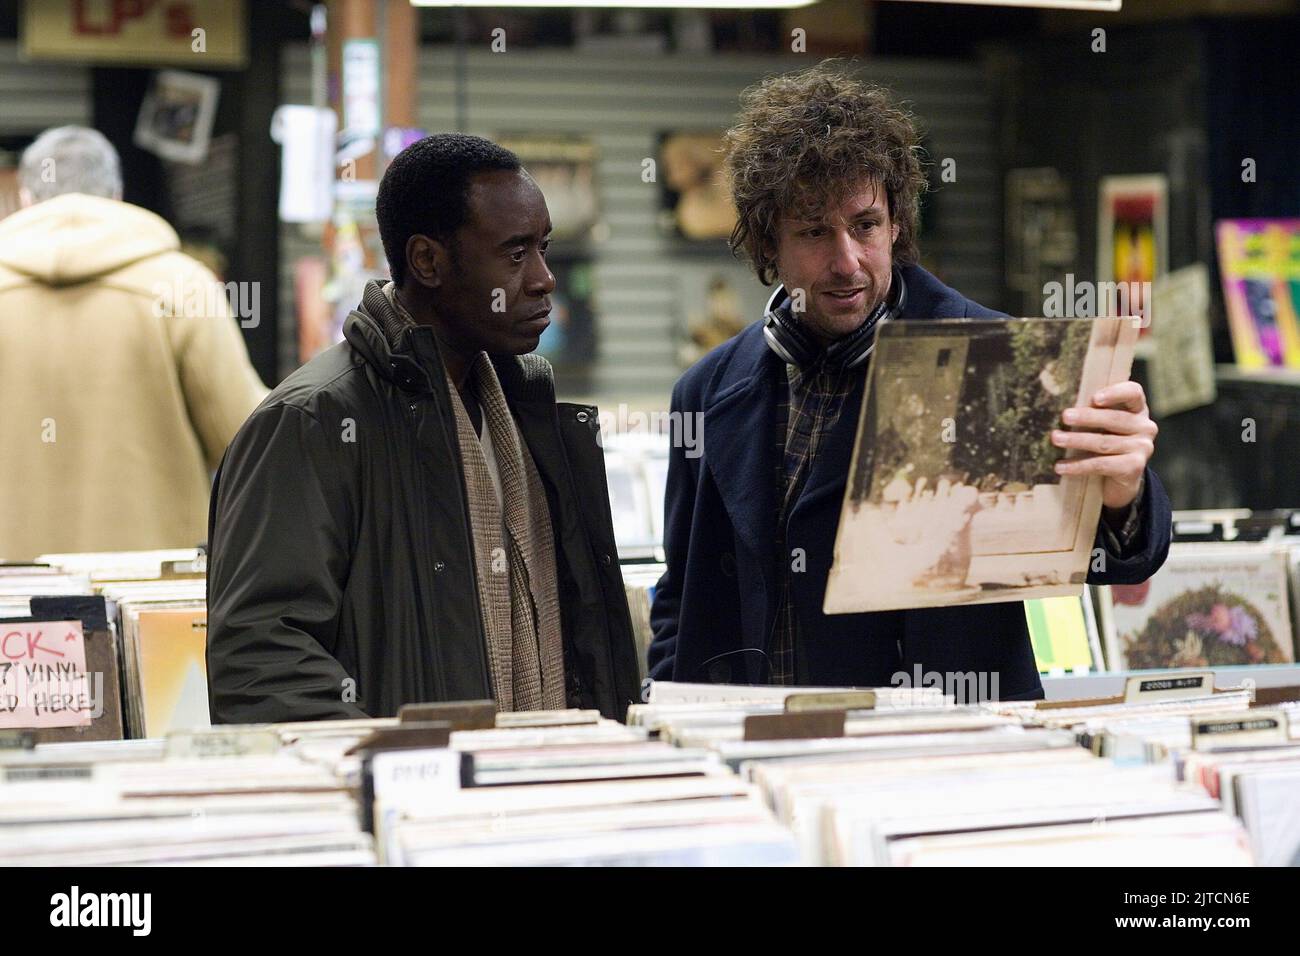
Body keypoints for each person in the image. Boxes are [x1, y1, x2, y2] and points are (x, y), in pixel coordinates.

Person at [647, 65, 1170, 700]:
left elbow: (1116, 560)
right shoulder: (704, 391)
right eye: (813, 231)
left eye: (865, 225)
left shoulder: (1000, 358)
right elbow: (682, 592)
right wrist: (672, 715)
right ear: (767, 243)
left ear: (896, 222)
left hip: (940, 751)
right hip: (758, 748)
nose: (846, 262)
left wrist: (1123, 493)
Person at [206, 133, 640, 723]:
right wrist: (400, 774)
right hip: (414, 797)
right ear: (428, 261)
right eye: (515, 254)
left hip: (538, 784)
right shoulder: (312, 422)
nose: (543, 278)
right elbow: (261, 661)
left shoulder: (526, 408)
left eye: (544, 248)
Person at [0, 126, 266, 559]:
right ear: (118, 195)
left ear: (26, 198)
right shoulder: (184, 285)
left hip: (11, 591)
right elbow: (246, 439)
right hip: (149, 583)